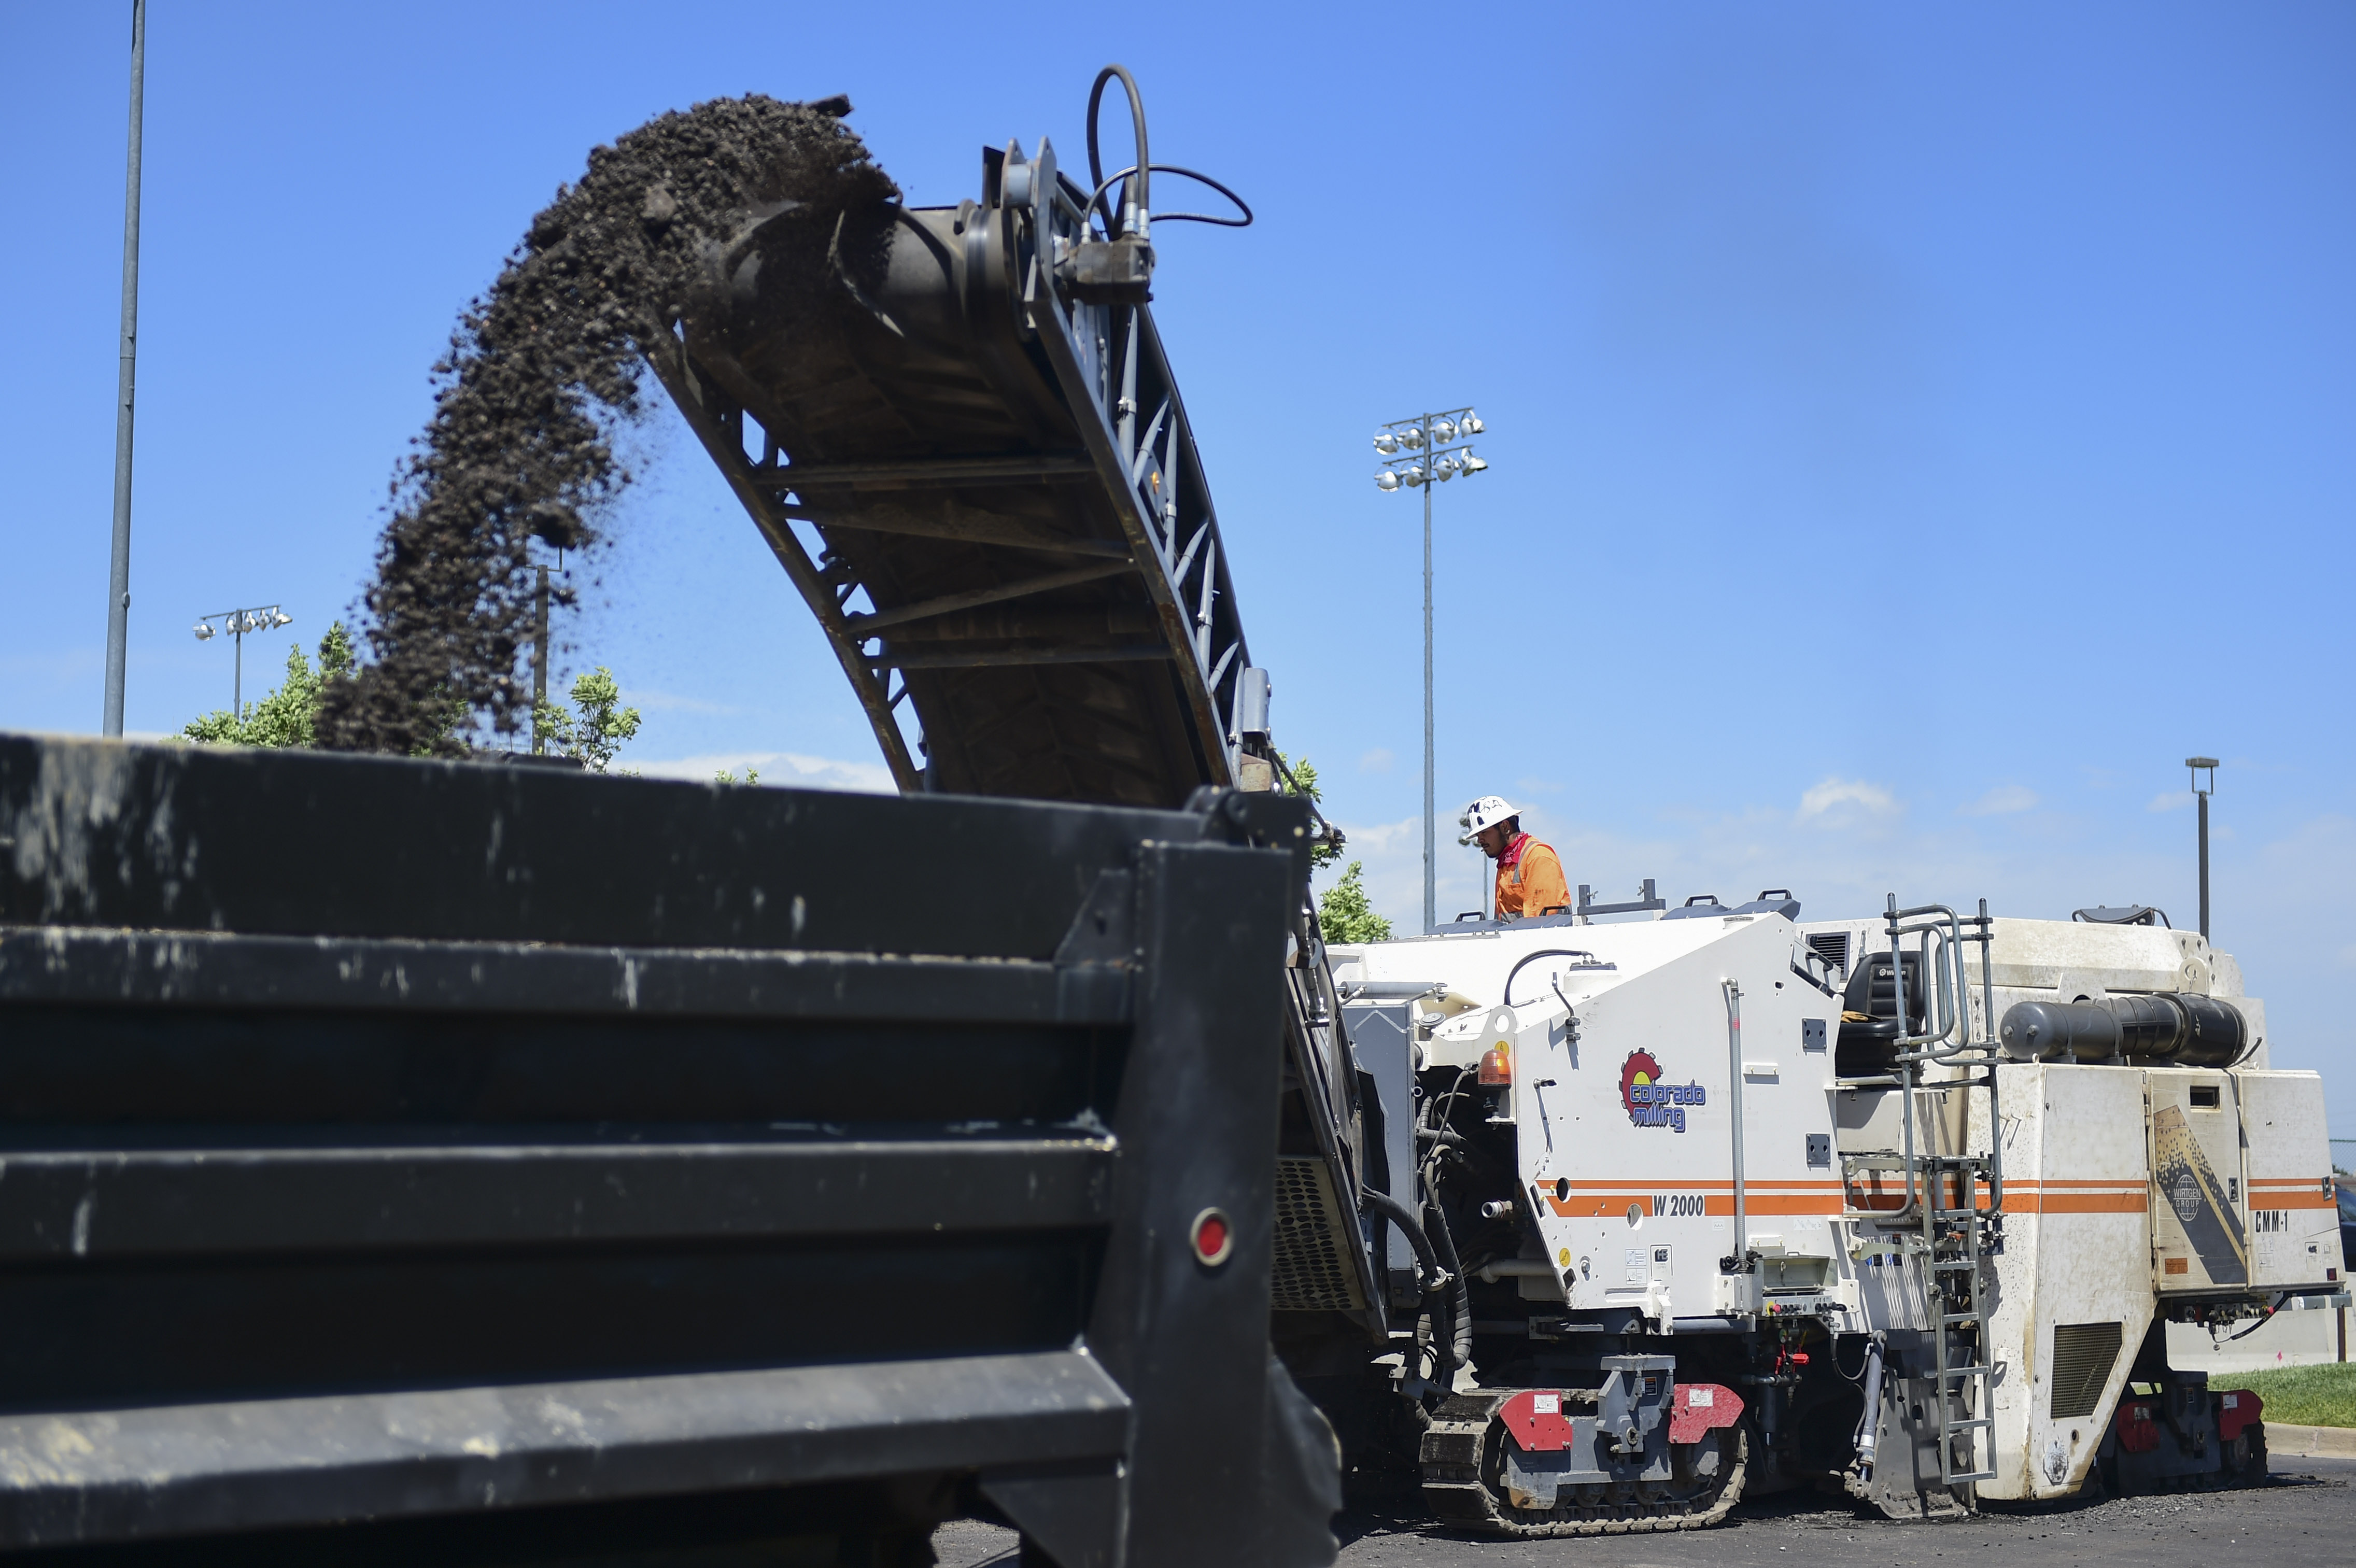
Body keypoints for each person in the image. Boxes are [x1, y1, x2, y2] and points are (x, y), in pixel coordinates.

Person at [1459, 795, 1570, 921]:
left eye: (1484, 832)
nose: (1480, 840)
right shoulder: (1506, 863)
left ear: (1505, 827)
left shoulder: (1538, 857)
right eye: (1478, 835)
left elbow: (1538, 924)